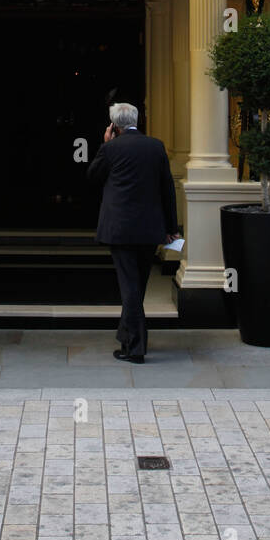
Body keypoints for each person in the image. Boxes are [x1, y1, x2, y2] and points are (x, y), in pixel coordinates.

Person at [87, 102, 180, 363]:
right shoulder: (156, 146)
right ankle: (127, 337)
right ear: (139, 120)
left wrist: (104, 144)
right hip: (151, 229)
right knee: (137, 285)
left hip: (120, 229)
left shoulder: (111, 148)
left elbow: (92, 176)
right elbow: (167, 189)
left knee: (130, 289)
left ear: (113, 126)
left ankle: (136, 348)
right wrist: (172, 228)